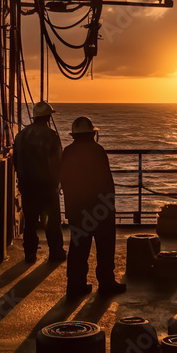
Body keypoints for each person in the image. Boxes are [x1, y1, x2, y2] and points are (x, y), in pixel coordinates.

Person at [60, 116, 126, 297]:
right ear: (92, 133)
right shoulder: (97, 151)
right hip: (99, 209)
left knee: (78, 247)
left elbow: (64, 181)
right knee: (105, 246)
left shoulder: (68, 151)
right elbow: (106, 181)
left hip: (76, 209)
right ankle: (106, 282)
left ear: (74, 135)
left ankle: (75, 286)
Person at [12, 101, 66, 264]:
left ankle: (30, 254)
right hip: (48, 188)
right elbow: (58, 161)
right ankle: (55, 252)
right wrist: (59, 183)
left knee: (30, 222)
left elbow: (16, 160)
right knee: (53, 221)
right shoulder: (51, 136)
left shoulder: (21, 135)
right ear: (48, 117)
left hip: (28, 187)